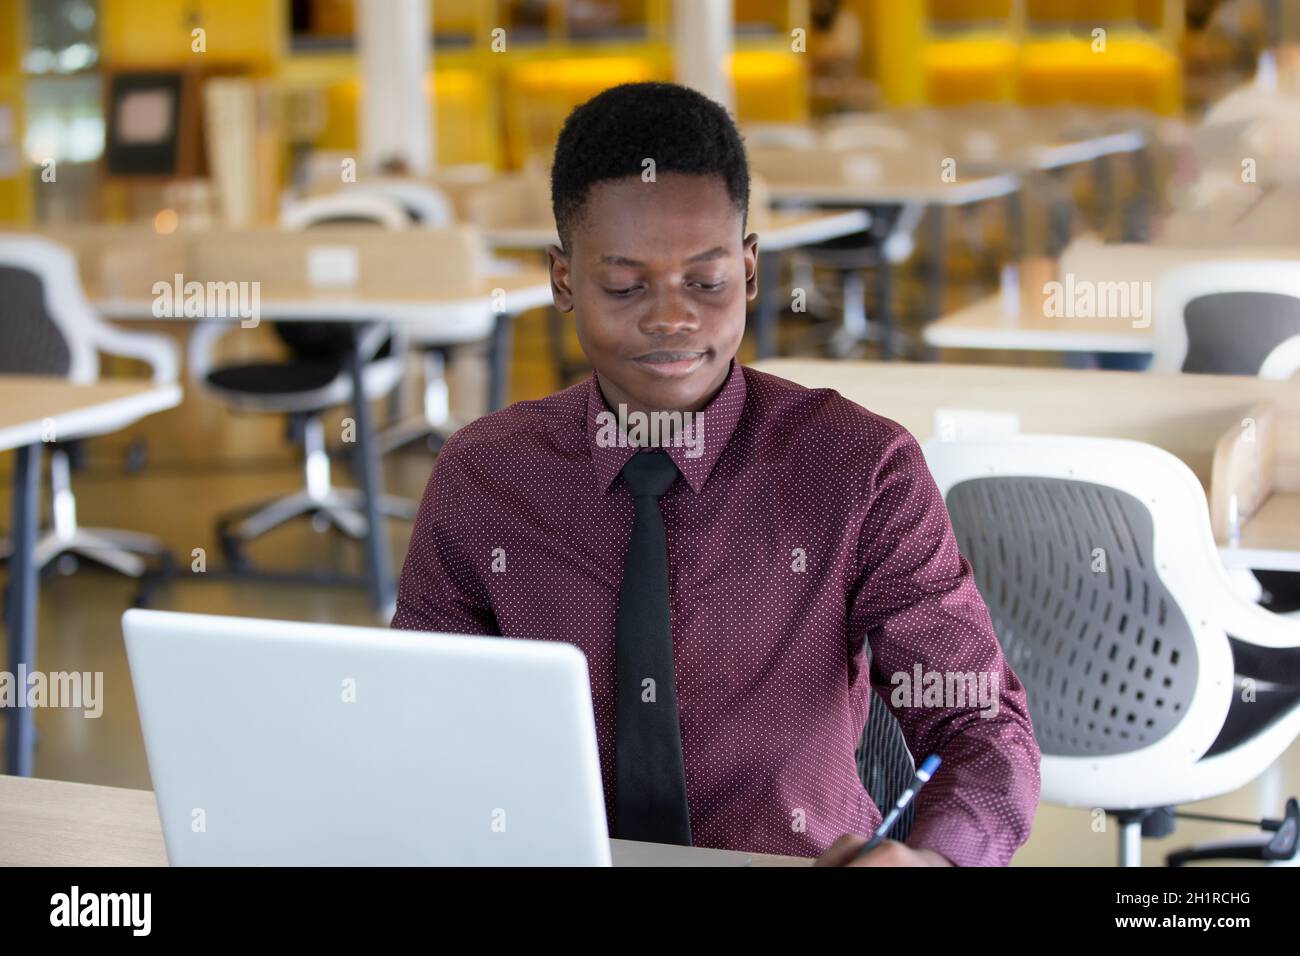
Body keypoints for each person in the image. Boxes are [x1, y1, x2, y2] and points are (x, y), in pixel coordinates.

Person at [393, 81, 1040, 866]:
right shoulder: (484, 478)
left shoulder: (858, 470)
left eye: (706, 282)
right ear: (562, 280)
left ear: (751, 267)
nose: (672, 318)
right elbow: (422, 726)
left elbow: (977, 723)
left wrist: (936, 859)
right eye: (625, 286)